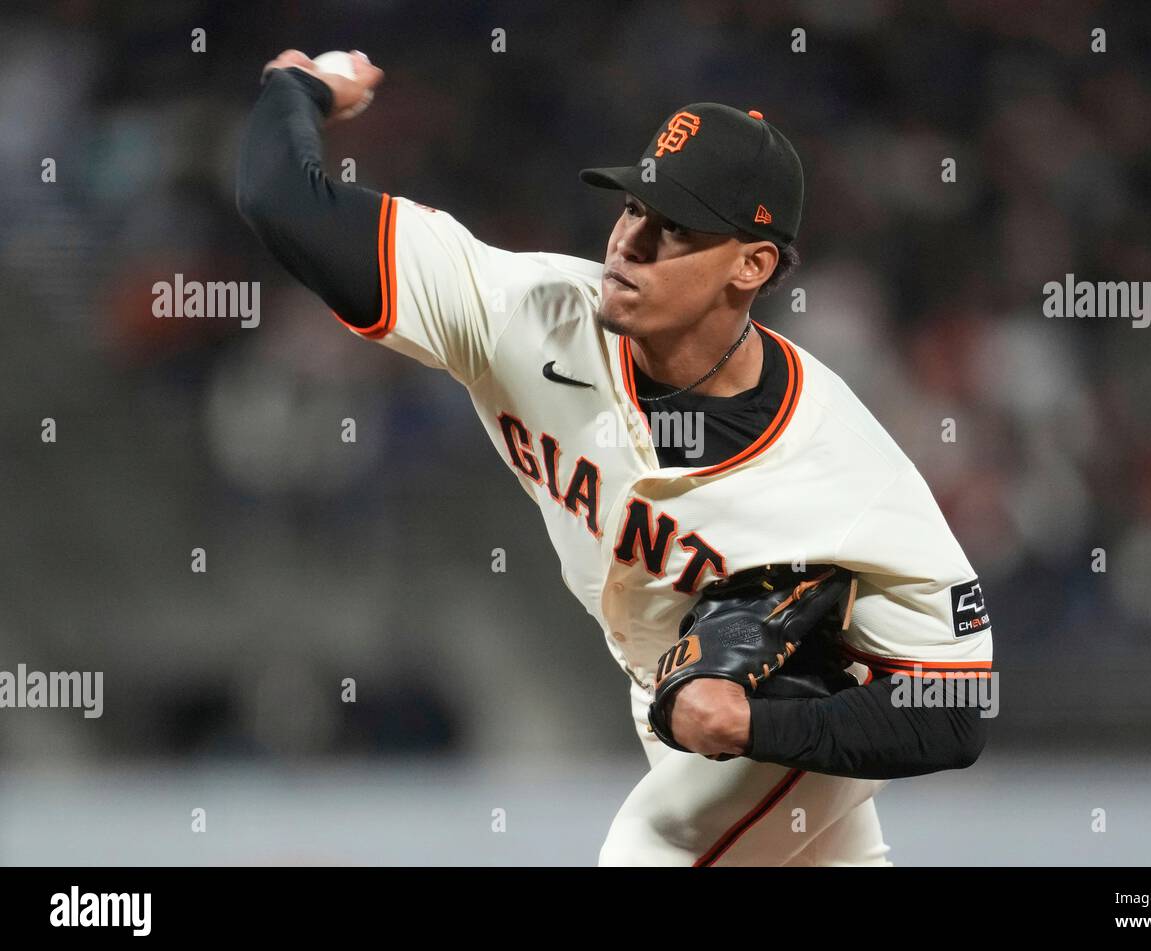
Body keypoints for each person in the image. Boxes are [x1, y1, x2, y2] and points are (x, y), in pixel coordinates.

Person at [237, 50, 994, 866]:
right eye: (632, 205)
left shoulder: (846, 471)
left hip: (790, 717)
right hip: (674, 713)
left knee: (652, 843)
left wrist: (751, 723)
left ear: (753, 264)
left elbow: (956, 710)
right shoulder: (523, 316)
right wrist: (300, 88)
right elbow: (283, 203)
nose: (630, 240)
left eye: (675, 225)